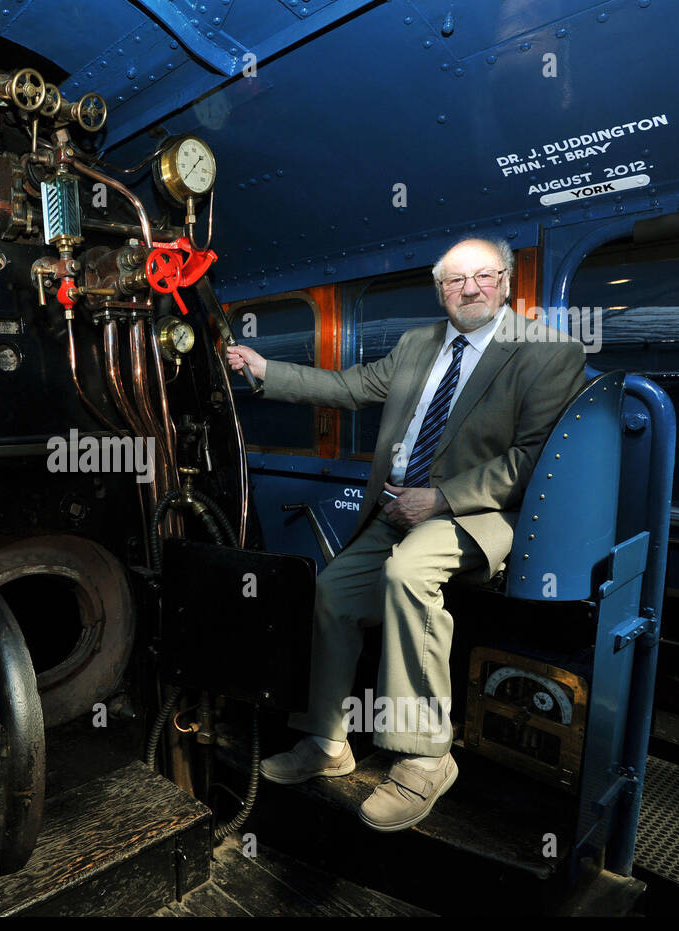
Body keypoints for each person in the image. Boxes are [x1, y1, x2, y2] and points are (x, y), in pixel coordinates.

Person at [225, 238, 585, 832]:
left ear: (507, 280)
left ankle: (425, 756)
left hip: (473, 512)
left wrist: (441, 498)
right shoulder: (419, 344)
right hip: (398, 508)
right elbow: (348, 389)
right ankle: (329, 740)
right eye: (454, 280)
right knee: (334, 592)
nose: (469, 288)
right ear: (439, 289)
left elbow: (531, 461)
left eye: (483, 276)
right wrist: (266, 371)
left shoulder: (547, 351)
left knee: (407, 573)